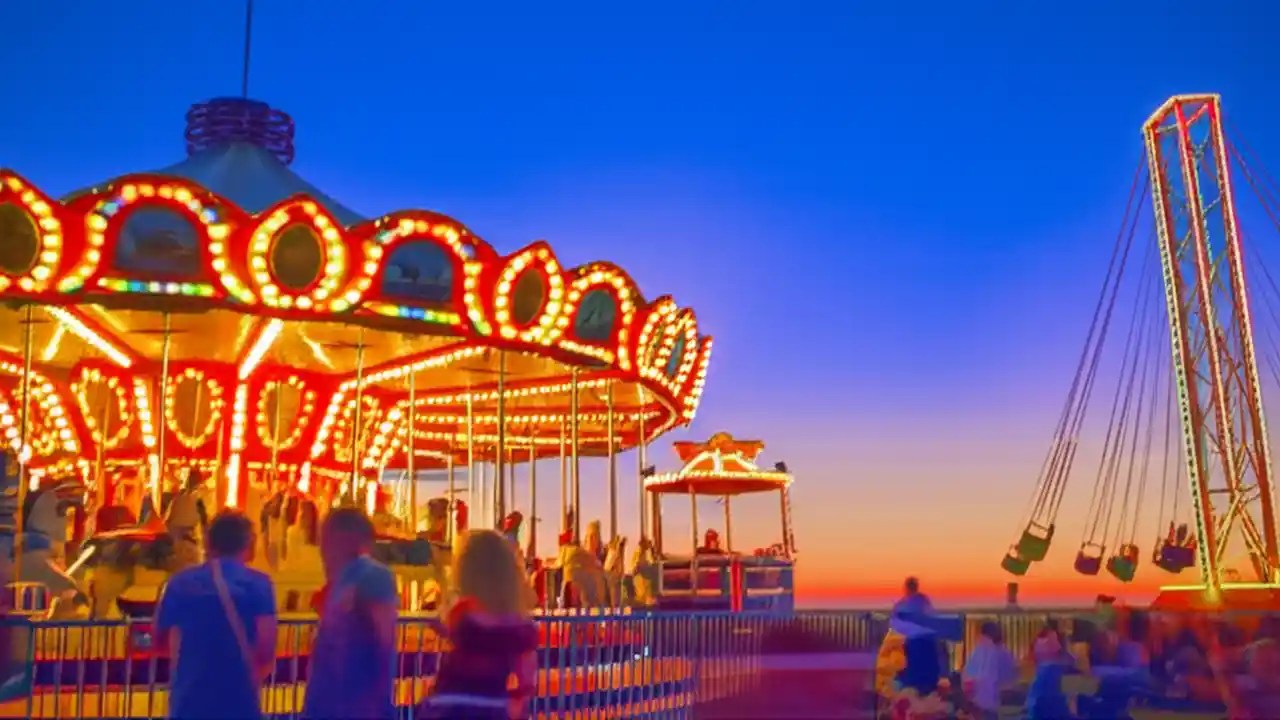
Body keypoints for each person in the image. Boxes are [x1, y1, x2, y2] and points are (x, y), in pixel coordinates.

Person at [155, 510, 277, 720]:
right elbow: (266, 646)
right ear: (248, 545)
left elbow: (158, 637)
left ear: (209, 543)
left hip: (190, 698)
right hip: (237, 698)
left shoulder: (179, 583)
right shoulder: (258, 585)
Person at [419, 529, 538, 720]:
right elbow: (526, 678)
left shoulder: (462, 612)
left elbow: (452, 645)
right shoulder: (519, 628)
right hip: (492, 706)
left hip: (449, 705)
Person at [303, 507, 399, 720]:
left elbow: (383, 639)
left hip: (352, 707)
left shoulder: (372, 575)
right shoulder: (345, 581)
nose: (322, 550)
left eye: (325, 540)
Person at [963, 622, 1018, 719]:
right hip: (992, 707)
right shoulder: (1003, 654)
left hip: (985, 707)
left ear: (984, 636)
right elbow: (1011, 680)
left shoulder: (982, 652)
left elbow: (968, 677)